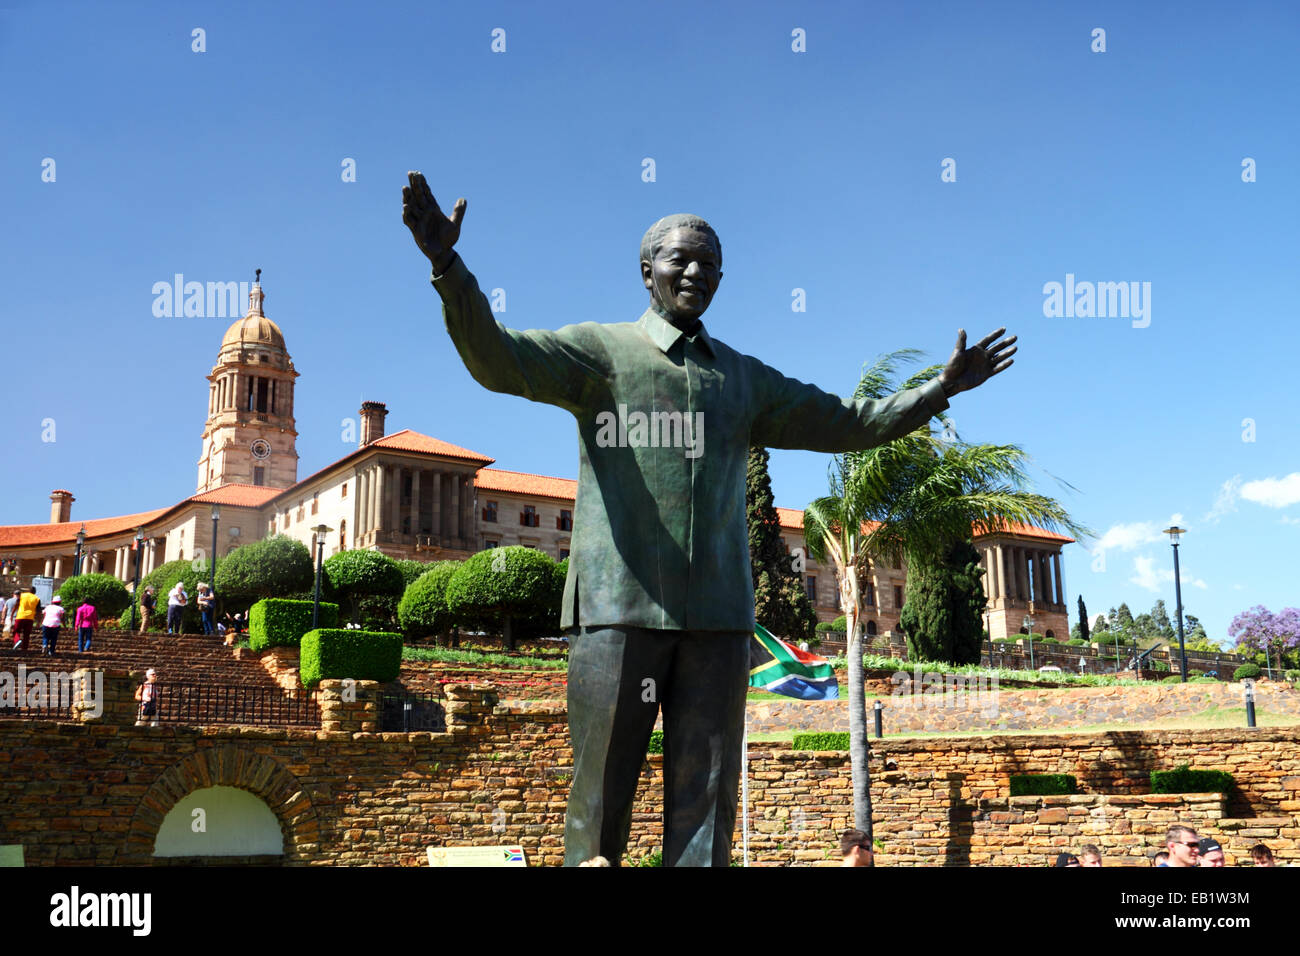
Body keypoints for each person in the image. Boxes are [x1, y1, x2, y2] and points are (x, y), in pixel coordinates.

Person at [403, 172, 1018, 867]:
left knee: (707, 812)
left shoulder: (743, 379)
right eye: (680, 259)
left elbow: (848, 421)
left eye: (710, 265)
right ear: (646, 272)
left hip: (718, 621)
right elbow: (497, 358)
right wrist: (447, 267)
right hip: (618, 609)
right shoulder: (601, 354)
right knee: (599, 798)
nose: (696, 272)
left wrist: (938, 389)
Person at [12, 586, 40, 651]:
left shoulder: (22, 595)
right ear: (34, 592)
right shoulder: (37, 598)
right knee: (26, 634)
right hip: (30, 618)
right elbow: (38, 611)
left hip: (20, 616)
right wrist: (38, 621)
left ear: (28, 591)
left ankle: (17, 640)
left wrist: (12, 614)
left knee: (16, 631)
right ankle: (24, 649)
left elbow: (16, 605)